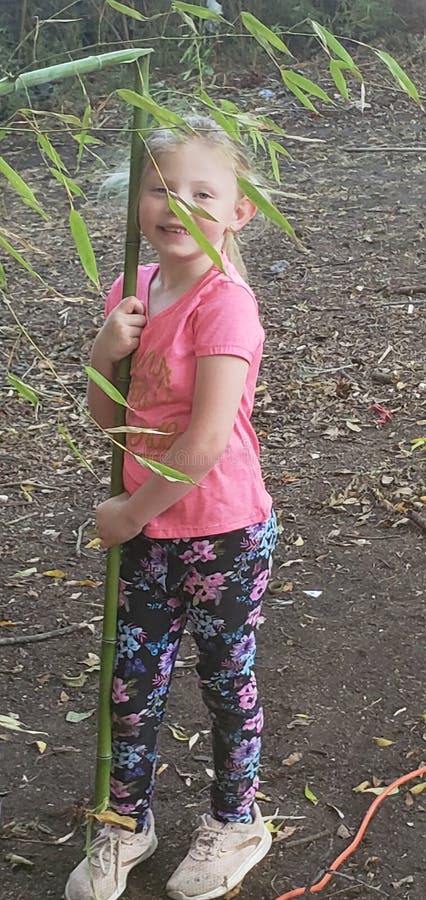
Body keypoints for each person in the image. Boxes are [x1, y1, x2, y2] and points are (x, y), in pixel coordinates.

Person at [65, 114, 278, 900]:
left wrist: (130, 511)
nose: (177, 205)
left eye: (201, 191)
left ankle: (236, 820)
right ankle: (126, 824)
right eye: (161, 188)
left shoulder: (227, 306)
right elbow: (110, 416)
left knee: (227, 679)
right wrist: (101, 353)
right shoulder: (131, 287)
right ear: (136, 205)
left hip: (221, 532)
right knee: (131, 683)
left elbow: (206, 443)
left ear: (238, 209)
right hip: (149, 528)